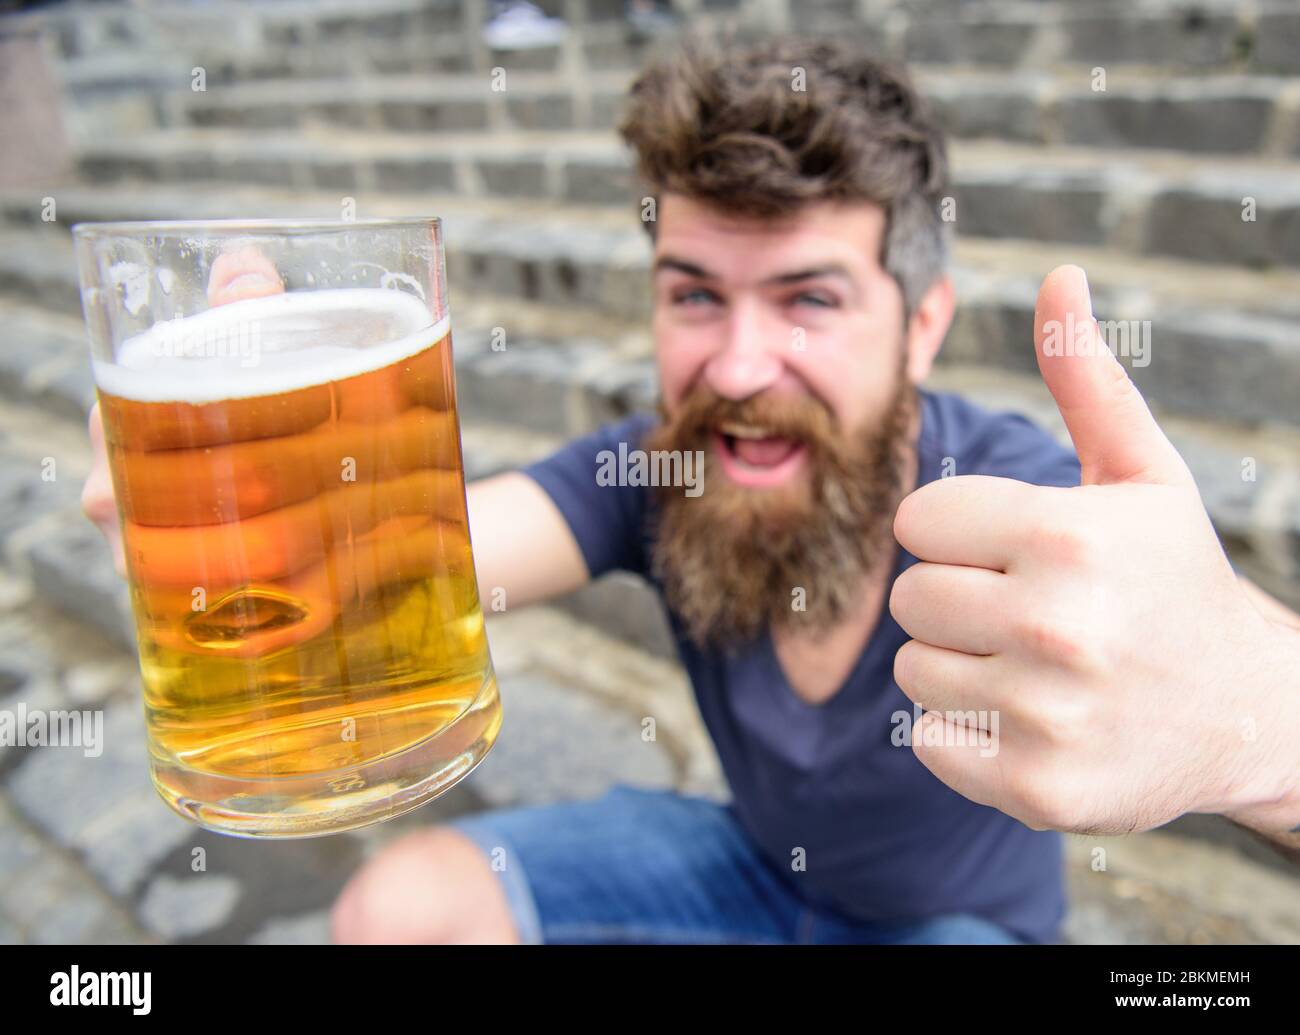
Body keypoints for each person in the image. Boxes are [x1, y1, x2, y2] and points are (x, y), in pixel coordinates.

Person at [81, 34, 1300, 945]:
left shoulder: (1022, 501)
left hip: (954, 930)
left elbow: (1191, 648)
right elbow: (420, 552)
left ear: (922, 324)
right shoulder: (656, 472)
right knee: (400, 906)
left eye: (810, 298)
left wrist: (1254, 712)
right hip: (752, 868)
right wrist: (255, 496)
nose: (736, 365)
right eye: (694, 293)